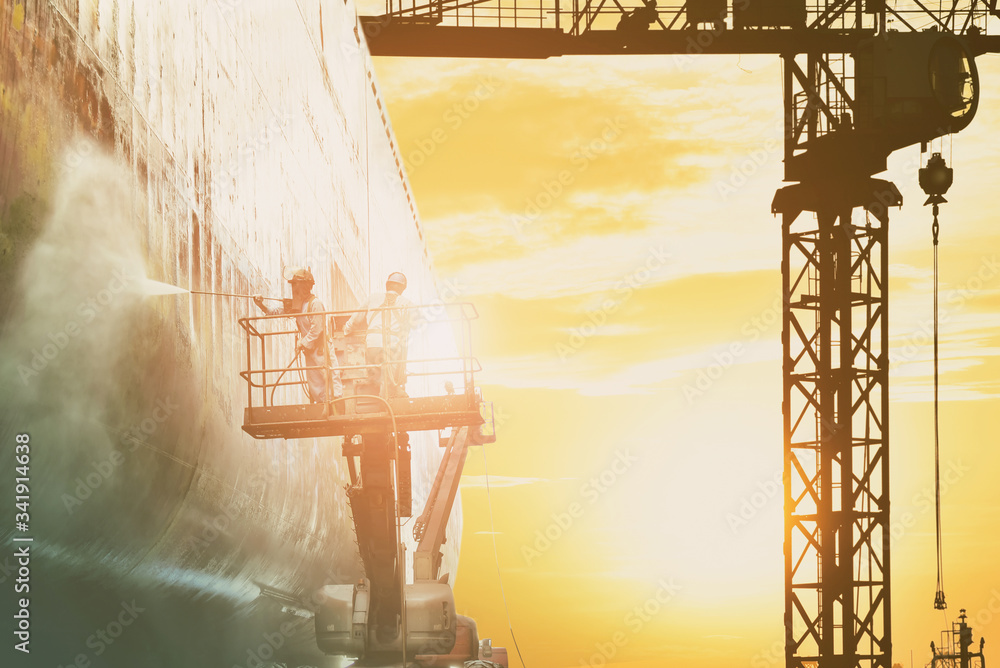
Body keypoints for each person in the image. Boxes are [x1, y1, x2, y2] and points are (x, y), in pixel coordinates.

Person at [254, 267, 342, 403]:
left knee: (329, 377)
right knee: (315, 384)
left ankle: (335, 405)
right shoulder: (298, 305)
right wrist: (261, 305)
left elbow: (317, 329)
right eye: (293, 285)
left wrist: (302, 342)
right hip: (309, 349)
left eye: (296, 285)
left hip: (321, 348)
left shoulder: (315, 304)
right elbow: (276, 311)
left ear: (305, 286)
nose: (293, 288)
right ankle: (323, 406)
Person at [344, 272, 417, 397]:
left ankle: (377, 390)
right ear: (402, 288)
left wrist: (346, 329)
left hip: (372, 345)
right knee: (389, 379)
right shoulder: (407, 303)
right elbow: (416, 323)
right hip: (392, 347)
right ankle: (387, 398)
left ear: (387, 285)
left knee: (377, 374)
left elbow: (355, 320)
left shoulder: (373, 298)